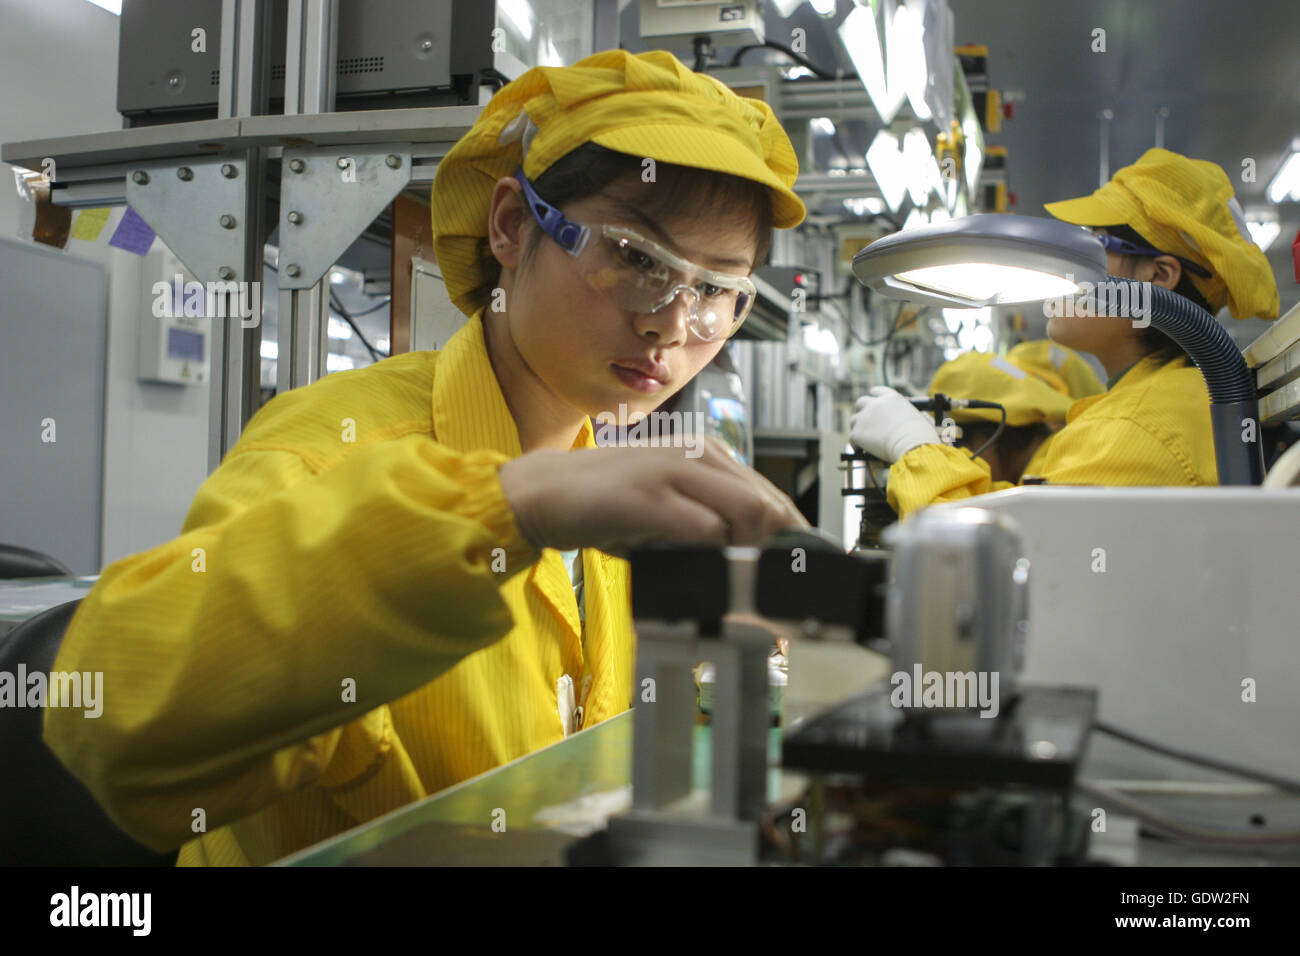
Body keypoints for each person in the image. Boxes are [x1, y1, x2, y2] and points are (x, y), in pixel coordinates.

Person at [43, 49, 809, 866]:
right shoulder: (329, 450)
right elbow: (113, 723)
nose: (670, 325)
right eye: (635, 258)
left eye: (716, 291)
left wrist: (724, 675)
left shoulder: (612, 490)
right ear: (512, 225)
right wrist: (505, 509)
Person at [850, 148, 1279, 518]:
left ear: (1157, 276)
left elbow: (1015, 554)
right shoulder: (1149, 401)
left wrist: (915, 450)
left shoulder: (1141, 426)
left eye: (1094, 241)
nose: (1066, 257)